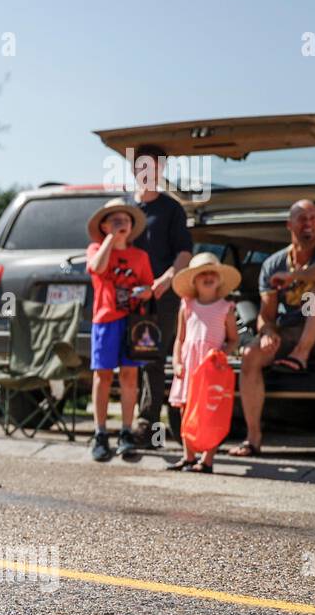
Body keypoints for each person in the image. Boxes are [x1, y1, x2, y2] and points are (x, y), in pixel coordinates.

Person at [233, 199, 315, 457]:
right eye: (302, 218)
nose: (309, 224)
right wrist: (268, 333)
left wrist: (295, 277)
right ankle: (253, 439)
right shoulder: (273, 264)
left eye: (314, 218)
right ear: (290, 224)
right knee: (250, 355)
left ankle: (301, 355)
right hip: (291, 330)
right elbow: (266, 315)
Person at [126, 145, 193, 447]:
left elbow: (184, 252)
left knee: (154, 358)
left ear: (161, 171)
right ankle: (142, 421)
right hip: (130, 297)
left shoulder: (171, 208)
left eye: (153, 167)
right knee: (134, 359)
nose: (147, 172)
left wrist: (166, 280)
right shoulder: (125, 209)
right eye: (141, 166)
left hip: (162, 296)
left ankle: (149, 424)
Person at [85, 198, 154, 463]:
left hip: (132, 321)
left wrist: (145, 291)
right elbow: (98, 268)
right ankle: (100, 432)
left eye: (125, 220)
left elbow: (148, 288)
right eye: (114, 220)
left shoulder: (140, 256)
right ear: (102, 225)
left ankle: (126, 431)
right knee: (102, 375)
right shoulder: (95, 249)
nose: (120, 223)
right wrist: (109, 241)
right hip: (105, 320)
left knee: (129, 376)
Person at [164, 253, 240, 473]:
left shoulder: (225, 308)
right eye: (202, 273)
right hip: (189, 366)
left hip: (210, 368)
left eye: (211, 273)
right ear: (194, 280)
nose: (207, 277)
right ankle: (188, 455)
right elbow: (180, 338)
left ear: (219, 279)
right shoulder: (187, 305)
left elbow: (233, 339)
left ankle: (207, 459)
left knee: (210, 410)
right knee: (185, 410)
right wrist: (177, 362)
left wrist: (221, 354)